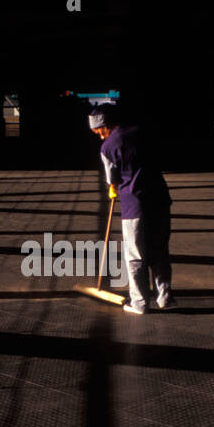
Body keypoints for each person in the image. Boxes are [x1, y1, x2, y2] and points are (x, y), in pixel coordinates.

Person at [88, 103, 174, 315]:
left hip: (133, 205)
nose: (100, 137)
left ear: (106, 125)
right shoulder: (142, 132)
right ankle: (164, 297)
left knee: (135, 255)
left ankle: (139, 302)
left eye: (100, 132)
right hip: (160, 199)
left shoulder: (107, 148)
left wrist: (112, 189)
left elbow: (112, 179)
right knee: (160, 251)